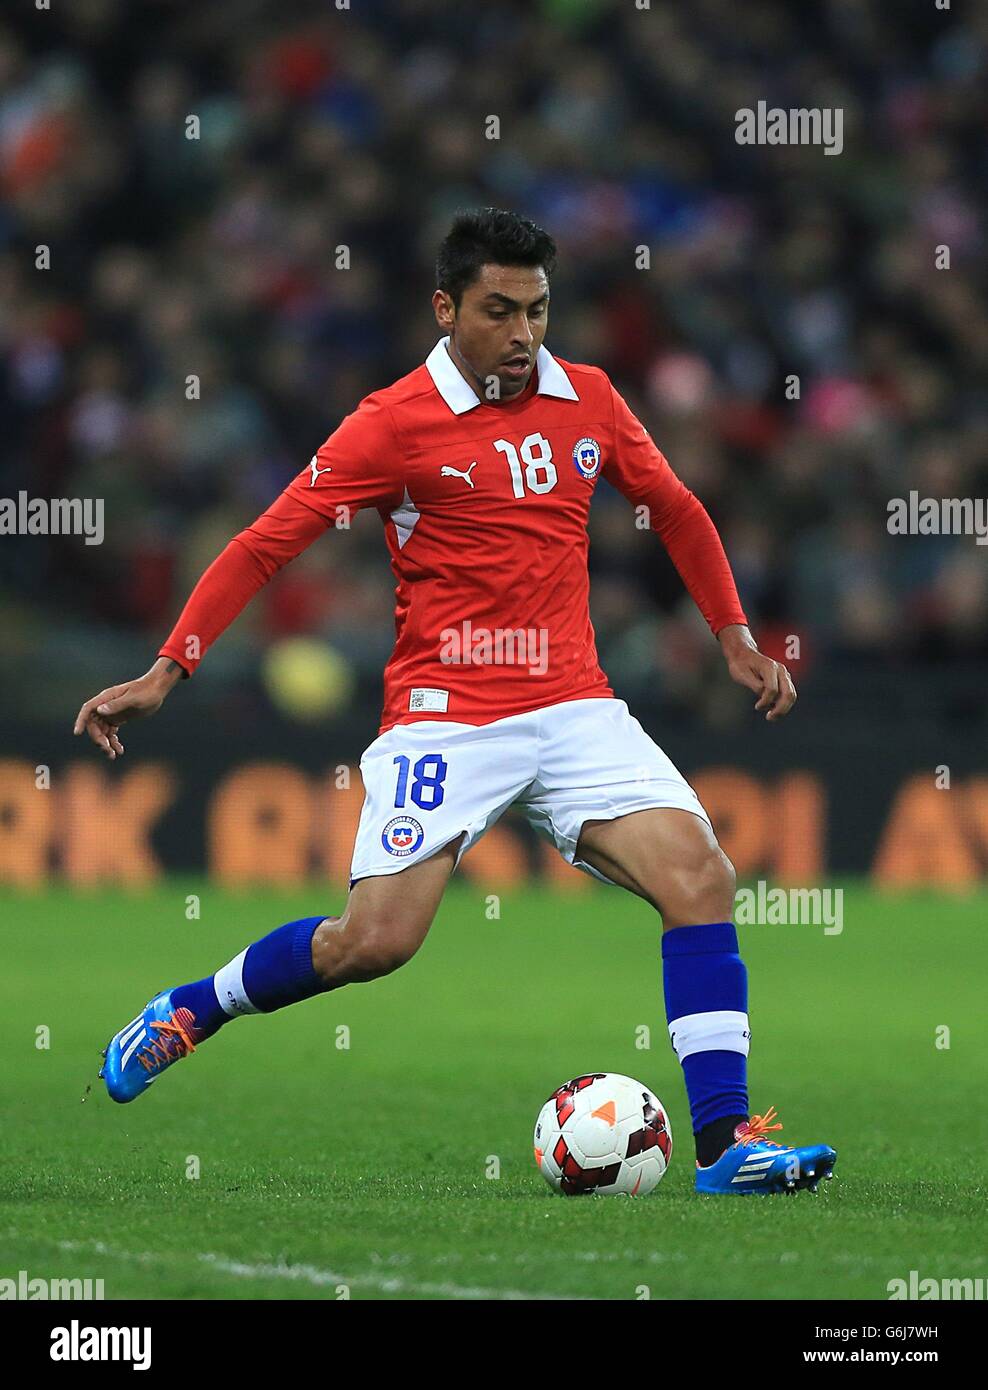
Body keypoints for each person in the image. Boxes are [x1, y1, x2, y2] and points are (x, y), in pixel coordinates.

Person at [74, 208, 834, 1195]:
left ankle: (727, 1144)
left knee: (700, 878)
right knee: (372, 943)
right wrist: (166, 669)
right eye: (499, 311)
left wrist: (734, 637)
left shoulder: (589, 397)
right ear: (445, 308)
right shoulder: (390, 423)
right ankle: (194, 1005)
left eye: (538, 310)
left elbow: (678, 509)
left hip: (575, 707)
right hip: (446, 710)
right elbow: (266, 541)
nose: (522, 335)